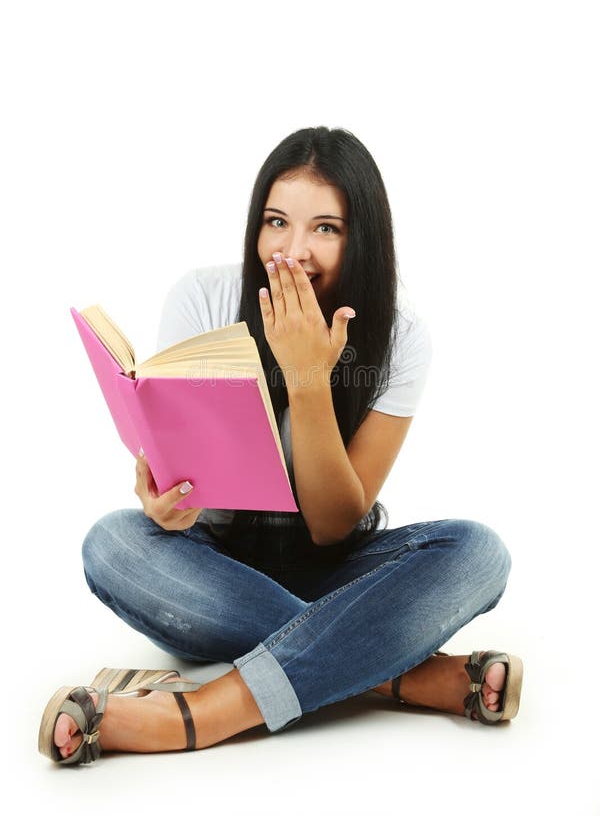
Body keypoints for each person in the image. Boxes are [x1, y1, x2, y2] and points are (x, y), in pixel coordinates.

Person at [39, 126, 523, 766]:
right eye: (276, 222)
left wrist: (308, 378)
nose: (293, 252)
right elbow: (171, 474)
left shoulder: (402, 339)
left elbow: (332, 528)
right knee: (113, 542)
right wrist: (163, 501)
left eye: (326, 228)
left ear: (362, 241)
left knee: (477, 552)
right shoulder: (202, 297)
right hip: (218, 568)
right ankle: (399, 673)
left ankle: (206, 715)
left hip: (338, 567)